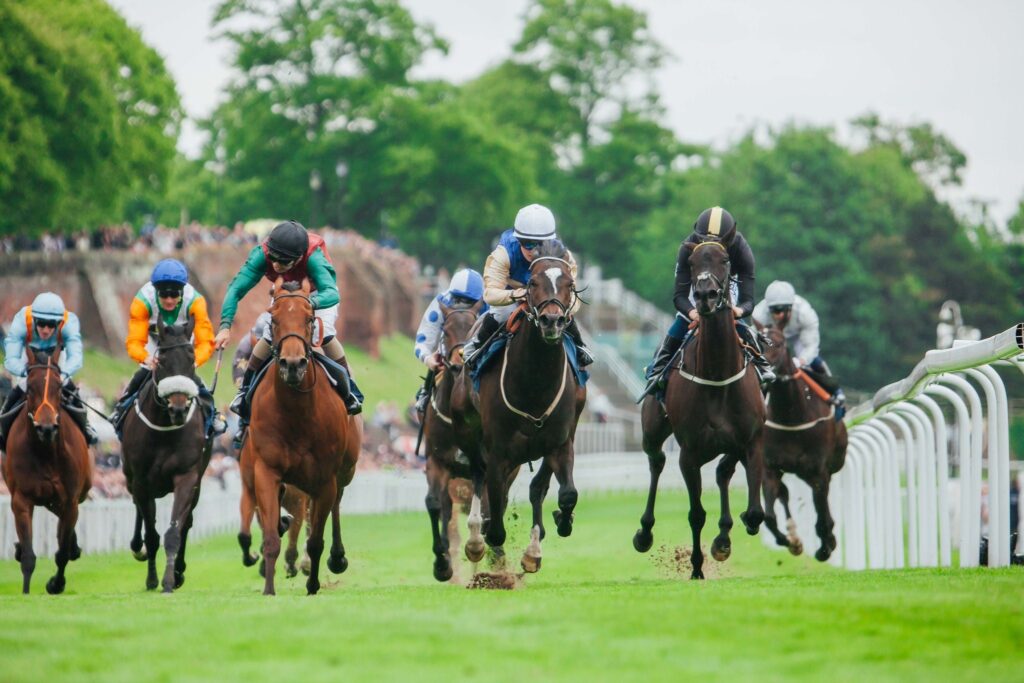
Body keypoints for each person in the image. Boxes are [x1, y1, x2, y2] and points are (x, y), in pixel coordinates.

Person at [215, 220, 363, 447]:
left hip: (317, 297)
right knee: (268, 336)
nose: (275, 264)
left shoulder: (313, 256)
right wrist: (225, 325)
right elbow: (236, 288)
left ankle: (350, 390)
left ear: (299, 257)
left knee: (322, 335)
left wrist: (305, 303)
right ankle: (244, 392)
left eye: (283, 261)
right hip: (285, 295)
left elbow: (331, 293)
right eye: (273, 258)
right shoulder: (263, 254)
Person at [640, 206, 774, 398]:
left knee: (737, 325)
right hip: (697, 288)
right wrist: (692, 313)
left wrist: (737, 312)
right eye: (705, 241)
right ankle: (658, 368)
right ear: (697, 238)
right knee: (681, 321)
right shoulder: (687, 247)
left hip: (727, 285)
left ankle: (762, 365)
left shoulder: (741, 248)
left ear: (728, 241)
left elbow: (748, 302)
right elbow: (679, 296)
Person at [462, 204, 592, 367]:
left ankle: (580, 347)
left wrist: (562, 307)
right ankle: (476, 346)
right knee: (502, 313)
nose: (533, 250)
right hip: (511, 294)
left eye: (540, 244)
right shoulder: (503, 253)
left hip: (546, 295)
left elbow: (572, 298)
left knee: (561, 313)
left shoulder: (564, 257)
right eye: (527, 244)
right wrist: (520, 294)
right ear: (518, 240)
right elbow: (490, 295)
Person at [108, 258, 225, 435]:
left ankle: (212, 414)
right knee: (143, 373)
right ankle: (121, 409)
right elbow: (134, 342)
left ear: (182, 291)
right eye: (164, 295)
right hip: (155, 342)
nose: (169, 300)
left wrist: (193, 362)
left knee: (190, 375)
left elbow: (205, 342)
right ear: (155, 291)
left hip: (183, 340)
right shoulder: (142, 302)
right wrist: (146, 358)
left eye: (174, 294)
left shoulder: (195, 301)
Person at [0, 292, 97, 450]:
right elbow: (11, 359)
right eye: (42, 323)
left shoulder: (69, 322)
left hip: (57, 354)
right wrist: (27, 373)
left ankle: (86, 426)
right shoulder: (22, 320)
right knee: (23, 385)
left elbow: (76, 358)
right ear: (34, 319)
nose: (46, 330)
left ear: (59, 323)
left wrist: (62, 375)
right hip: (30, 355)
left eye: (51, 325)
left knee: (66, 383)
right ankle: (3, 430)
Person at [751, 280, 846, 413]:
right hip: (772, 338)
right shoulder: (759, 315)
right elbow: (755, 344)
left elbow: (811, 347)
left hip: (798, 335)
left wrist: (801, 361)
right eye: (774, 310)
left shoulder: (805, 313)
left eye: (782, 310)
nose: (778, 315)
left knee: (813, 361)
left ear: (791, 307)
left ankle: (836, 392)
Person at [412, 268, 487, 414]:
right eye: (457, 299)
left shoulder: (488, 305)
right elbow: (422, 341)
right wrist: (429, 360)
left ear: (479, 299)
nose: (462, 305)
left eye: (469, 302)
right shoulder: (441, 302)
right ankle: (425, 395)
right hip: (447, 357)